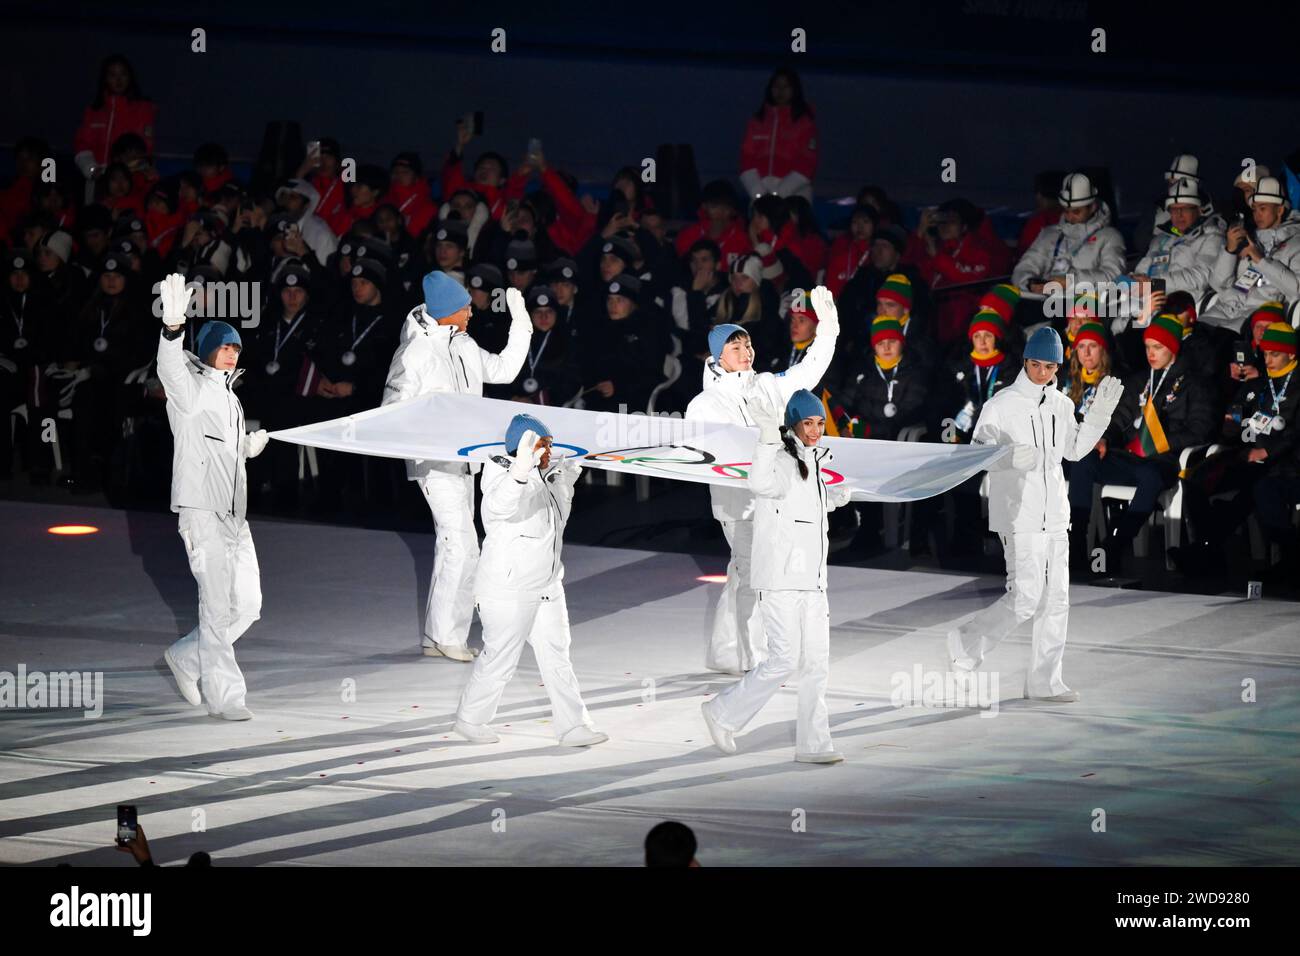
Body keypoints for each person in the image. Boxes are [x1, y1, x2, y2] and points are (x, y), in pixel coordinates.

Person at [947, 328, 1123, 702]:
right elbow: (977, 455)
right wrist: (1007, 457)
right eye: (1036, 364)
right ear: (1025, 361)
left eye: (1050, 366)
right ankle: (965, 644)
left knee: (1056, 600)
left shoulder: (1060, 404)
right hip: (1018, 514)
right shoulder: (1001, 404)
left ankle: (1045, 681)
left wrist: (1099, 415)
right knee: (1026, 597)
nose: (1042, 372)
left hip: (1055, 514)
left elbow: (1074, 450)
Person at [686, 286, 840, 675]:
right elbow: (703, 456)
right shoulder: (704, 404)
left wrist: (830, 328)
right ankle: (755, 656)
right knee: (755, 575)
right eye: (736, 348)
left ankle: (727, 652)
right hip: (737, 503)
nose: (746, 352)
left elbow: (810, 368)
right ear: (718, 357)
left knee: (746, 573)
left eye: (748, 344)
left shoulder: (768, 385)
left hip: (773, 499)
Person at [383, 272, 530, 660]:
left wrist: (523, 324)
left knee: (453, 546)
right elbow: (391, 412)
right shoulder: (415, 353)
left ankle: (436, 636)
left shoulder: (463, 343)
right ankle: (449, 636)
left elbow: (503, 371)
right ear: (447, 311)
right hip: (434, 464)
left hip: (465, 462)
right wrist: (431, 434)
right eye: (465, 306)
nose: (472, 311)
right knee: (463, 547)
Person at [701, 389, 852, 762]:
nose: (816, 430)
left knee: (817, 661)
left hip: (814, 581)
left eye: (819, 423)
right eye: (808, 423)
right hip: (781, 578)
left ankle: (814, 744)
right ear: (793, 425)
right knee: (783, 660)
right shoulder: (779, 460)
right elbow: (760, 484)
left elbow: (805, 507)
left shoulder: (816, 461)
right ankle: (722, 712)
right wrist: (768, 436)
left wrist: (835, 496)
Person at [155, 274, 270, 720]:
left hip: (235, 518)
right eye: (225, 346)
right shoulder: (190, 390)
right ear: (206, 350)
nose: (232, 353)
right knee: (218, 606)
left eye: (237, 348)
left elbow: (222, 448)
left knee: (250, 605)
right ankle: (227, 697)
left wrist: (246, 447)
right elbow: (169, 367)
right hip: (202, 514)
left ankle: (186, 657)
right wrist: (172, 326)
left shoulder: (230, 397)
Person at [453, 414, 607, 747]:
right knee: (501, 658)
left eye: (549, 444)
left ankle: (573, 726)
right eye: (542, 444)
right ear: (523, 448)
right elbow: (498, 508)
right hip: (508, 588)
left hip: (547, 584)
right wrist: (522, 470)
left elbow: (558, 515)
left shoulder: (545, 474)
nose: (549, 450)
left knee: (557, 654)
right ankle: (470, 719)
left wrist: (569, 472)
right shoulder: (501, 474)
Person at [1068, 314, 1217, 575]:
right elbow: (1119, 419)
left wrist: (1162, 442)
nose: (1151, 353)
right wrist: (1105, 438)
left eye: (1157, 347)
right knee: (1084, 460)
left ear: (1172, 347)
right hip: (1129, 457)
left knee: (1150, 477)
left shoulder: (1195, 384)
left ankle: (1115, 545)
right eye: (1148, 347)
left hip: (1162, 459)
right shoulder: (1139, 380)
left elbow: (1200, 429)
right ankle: (1076, 540)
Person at [1173, 322, 1299, 575]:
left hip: (1287, 461)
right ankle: (1207, 546)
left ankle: (1287, 557)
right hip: (1249, 455)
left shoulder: (1297, 385)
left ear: (1291, 354)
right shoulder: (1259, 383)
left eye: (1275, 354)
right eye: (1265, 354)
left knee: (1259, 488)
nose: (1269, 360)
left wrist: (1268, 451)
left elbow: (1295, 432)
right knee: (1197, 478)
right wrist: (1232, 425)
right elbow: (1237, 417)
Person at [739, 67, 818, 202]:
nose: (780, 91)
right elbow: (746, 159)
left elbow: (807, 163)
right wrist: (758, 193)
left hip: (795, 195)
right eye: (776, 86)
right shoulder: (756, 122)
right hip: (760, 194)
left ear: (795, 90)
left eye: (786, 86)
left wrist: (779, 194)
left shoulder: (805, 123)